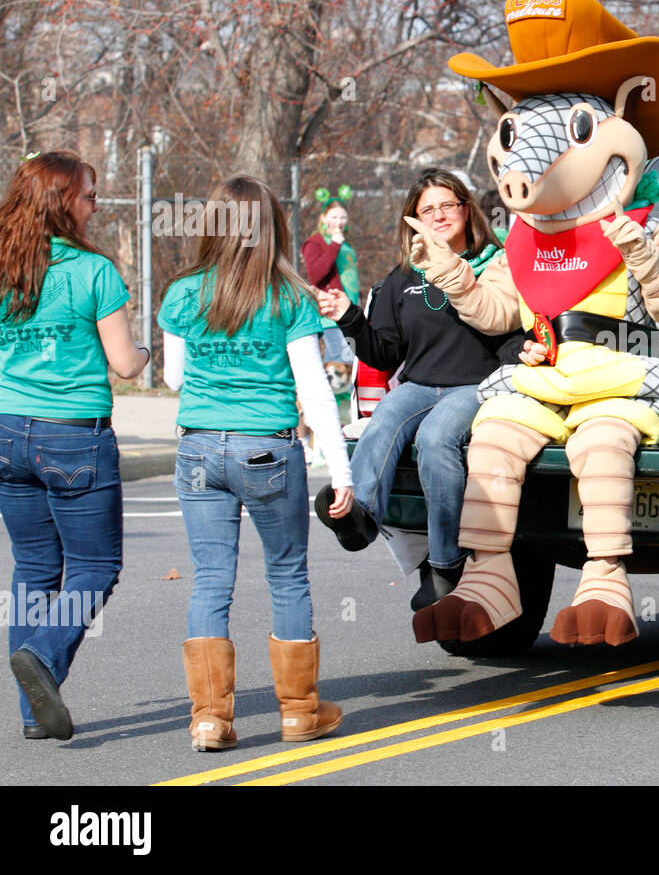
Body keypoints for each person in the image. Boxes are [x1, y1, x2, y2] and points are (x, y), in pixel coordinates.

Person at [159, 176, 352, 751]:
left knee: (211, 580)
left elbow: (173, 378)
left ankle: (210, 718)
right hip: (266, 448)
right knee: (287, 573)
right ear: (272, 226)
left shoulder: (183, 292)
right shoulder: (288, 295)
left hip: (197, 447)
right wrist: (340, 470)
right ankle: (298, 711)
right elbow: (315, 390)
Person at [313, 167, 519, 612]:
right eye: (428, 210)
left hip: (475, 387)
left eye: (448, 205)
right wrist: (349, 315)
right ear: (415, 221)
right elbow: (384, 354)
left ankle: (445, 563)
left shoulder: (496, 263)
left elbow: (511, 329)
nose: (440, 215)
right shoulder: (401, 278)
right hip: (421, 385)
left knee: (435, 438)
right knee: (385, 416)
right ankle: (360, 514)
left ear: (466, 210)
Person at [0, 151, 149, 741]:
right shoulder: (94, 271)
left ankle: (33, 712)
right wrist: (144, 356)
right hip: (72, 437)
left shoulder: (5, 264)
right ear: (63, 201)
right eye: (89, 195)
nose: (97, 204)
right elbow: (124, 364)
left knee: (33, 569)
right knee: (95, 567)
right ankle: (44, 654)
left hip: (7, 430)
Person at [302, 186, 358, 364]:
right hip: (331, 315)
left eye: (343, 217)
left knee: (351, 361)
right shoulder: (316, 243)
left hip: (350, 312)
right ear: (324, 218)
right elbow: (315, 275)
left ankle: (346, 393)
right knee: (338, 362)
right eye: (334, 217)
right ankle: (336, 393)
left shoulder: (345, 243)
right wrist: (334, 245)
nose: (339, 221)